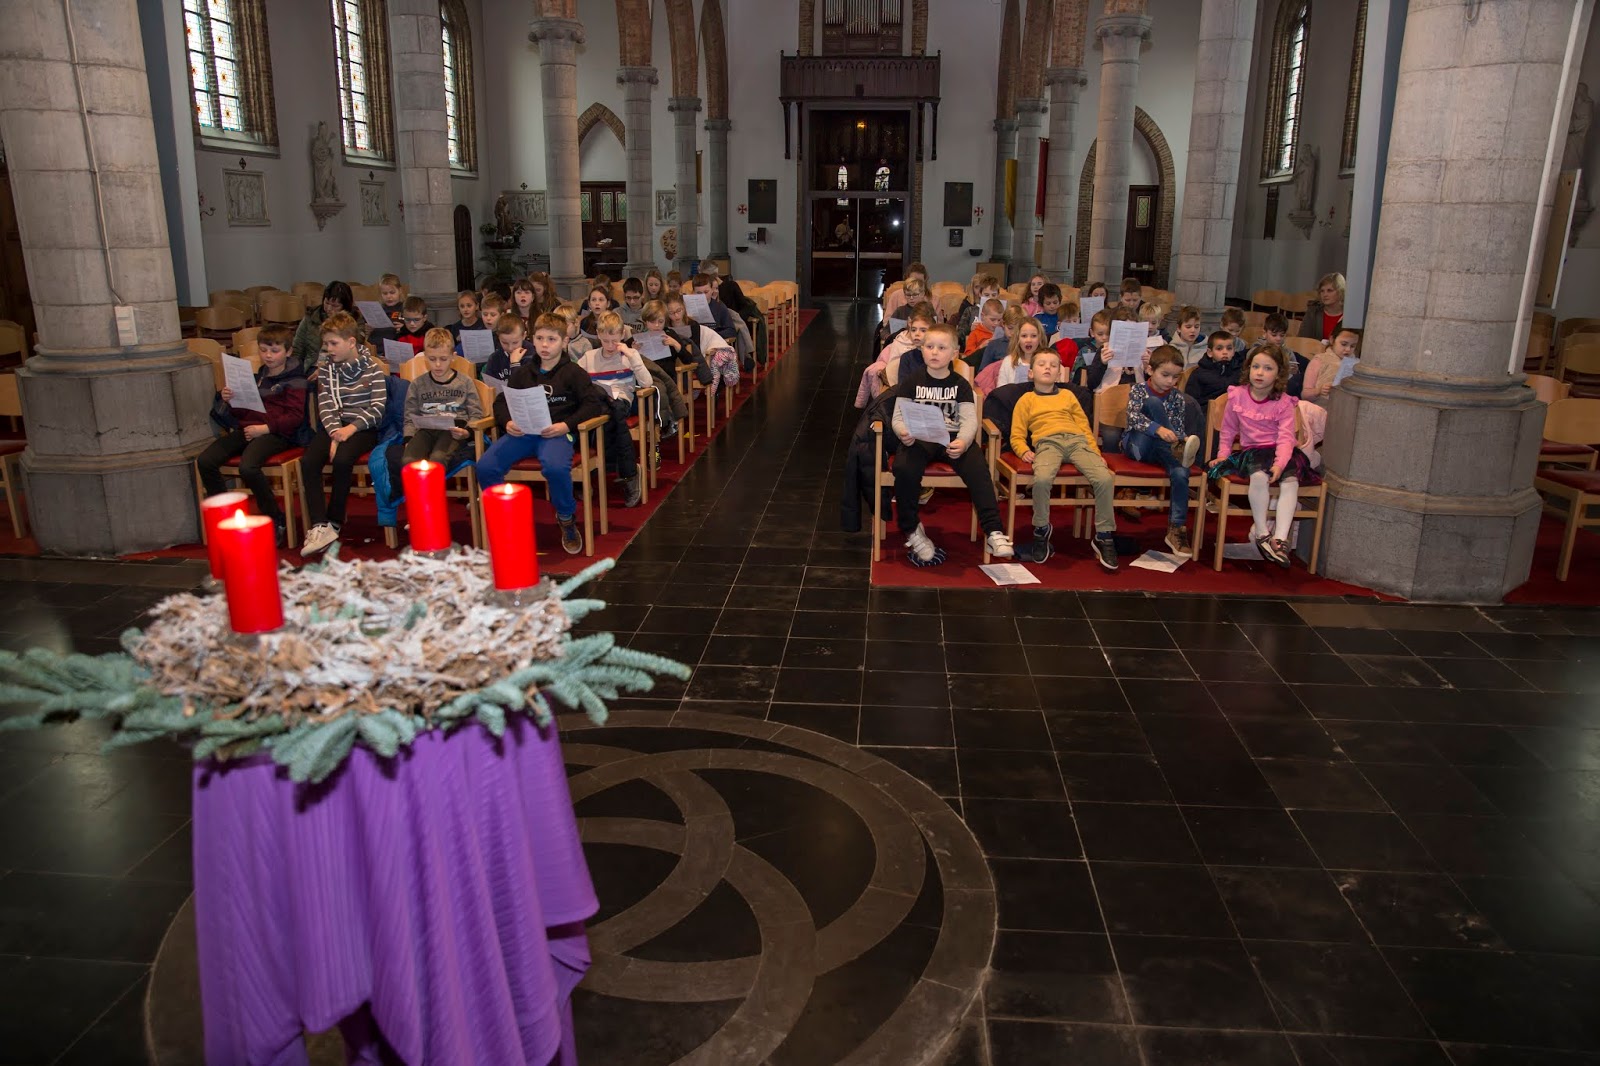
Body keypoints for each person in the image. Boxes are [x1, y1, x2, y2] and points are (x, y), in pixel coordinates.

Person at [475, 312, 607, 555]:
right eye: (540, 338)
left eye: (552, 339)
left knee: (555, 468)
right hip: (523, 432)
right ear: (532, 340)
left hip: (555, 433)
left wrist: (566, 425)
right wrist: (507, 422)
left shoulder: (574, 373)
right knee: (485, 466)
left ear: (564, 341)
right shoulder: (522, 373)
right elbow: (502, 402)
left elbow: (592, 404)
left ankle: (566, 518)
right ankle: (505, 519)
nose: (545, 345)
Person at [889, 323, 1013, 566]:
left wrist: (964, 441)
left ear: (955, 353)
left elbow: (969, 421)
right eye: (929, 347)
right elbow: (898, 417)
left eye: (941, 347)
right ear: (922, 349)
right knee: (904, 467)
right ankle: (912, 528)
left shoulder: (960, 384)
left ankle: (993, 531)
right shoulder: (911, 381)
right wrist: (903, 432)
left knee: (978, 468)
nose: (934, 352)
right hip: (920, 438)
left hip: (952, 438)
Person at [1208, 344, 1321, 567]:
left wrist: (1280, 465)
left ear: (1278, 374)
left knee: (1290, 481)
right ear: (1248, 369)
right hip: (1252, 452)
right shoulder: (1237, 396)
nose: (1260, 373)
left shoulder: (1284, 402)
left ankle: (1280, 538)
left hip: (1280, 450)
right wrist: (1223, 454)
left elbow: (1286, 438)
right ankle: (1262, 533)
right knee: (1259, 476)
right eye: (1256, 367)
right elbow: (1228, 430)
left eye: (1267, 368)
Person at [196, 324, 309, 547]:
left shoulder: (296, 379)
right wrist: (229, 398)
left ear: (288, 352)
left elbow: (295, 417)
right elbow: (242, 413)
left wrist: (265, 429)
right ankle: (226, 515)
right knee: (206, 461)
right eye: (264, 350)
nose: (268, 356)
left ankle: (274, 518)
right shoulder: (257, 378)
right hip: (249, 428)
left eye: (275, 350)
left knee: (248, 467)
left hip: (278, 433)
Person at [1010, 348, 1118, 569]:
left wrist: (1095, 452)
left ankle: (1104, 534)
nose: (1047, 368)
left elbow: (1083, 426)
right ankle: (1041, 529)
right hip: (1048, 443)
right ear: (1030, 373)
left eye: (1053, 365)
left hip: (1077, 441)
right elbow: (1017, 434)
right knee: (1041, 480)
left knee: (1104, 478)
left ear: (1060, 373)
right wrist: (1022, 450)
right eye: (1041, 364)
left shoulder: (1068, 395)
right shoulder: (1026, 400)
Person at [300, 312, 388, 556]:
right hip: (335, 426)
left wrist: (349, 430)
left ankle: (334, 521)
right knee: (308, 462)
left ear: (351, 342)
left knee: (342, 459)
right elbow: (325, 404)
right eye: (326, 344)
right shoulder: (327, 369)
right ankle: (320, 524)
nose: (328, 349)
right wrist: (335, 432)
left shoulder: (372, 368)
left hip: (362, 427)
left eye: (333, 343)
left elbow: (377, 409)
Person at [1124, 345, 1201, 556]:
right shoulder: (1138, 390)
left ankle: (1176, 528)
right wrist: (1158, 429)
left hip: (1162, 449)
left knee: (1181, 471)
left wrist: (1177, 434)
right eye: (1165, 375)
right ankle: (1178, 449)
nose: (1170, 381)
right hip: (1138, 445)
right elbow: (1133, 418)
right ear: (1150, 370)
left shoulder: (1177, 398)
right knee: (1154, 403)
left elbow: (1176, 426)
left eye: (1175, 377)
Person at [578, 310, 648, 507]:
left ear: (621, 336)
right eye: (605, 341)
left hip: (621, 401)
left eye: (614, 341)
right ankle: (629, 471)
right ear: (599, 335)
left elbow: (646, 382)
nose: (610, 346)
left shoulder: (629, 355)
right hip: (596, 405)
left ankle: (596, 471)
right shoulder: (589, 357)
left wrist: (632, 356)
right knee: (599, 415)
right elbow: (577, 383)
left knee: (612, 413)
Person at [400, 328, 482, 470]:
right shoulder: (418, 384)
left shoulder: (465, 382)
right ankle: (418, 492)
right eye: (432, 359)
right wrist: (409, 439)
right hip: (425, 429)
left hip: (453, 431)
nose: (438, 364)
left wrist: (467, 432)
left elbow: (476, 414)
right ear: (425, 357)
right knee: (408, 460)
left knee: (438, 458)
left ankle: (433, 492)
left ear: (453, 356)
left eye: (443, 359)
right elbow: (410, 417)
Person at [292, 280, 354, 372]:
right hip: (312, 366)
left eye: (334, 306)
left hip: (341, 368)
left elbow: (353, 351)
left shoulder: (353, 320)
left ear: (344, 307)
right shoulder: (311, 317)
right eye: (327, 303)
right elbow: (297, 349)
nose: (329, 308)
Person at [980, 317, 1046, 392]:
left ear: (1040, 338)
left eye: (1033, 336)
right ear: (1017, 338)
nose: (1029, 340)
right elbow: (1001, 391)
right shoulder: (1008, 361)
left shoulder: (1047, 362)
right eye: (1024, 336)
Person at [1186, 330, 1246, 406]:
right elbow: (1191, 402)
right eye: (1219, 349)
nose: (1225, 352)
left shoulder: (1240, 371)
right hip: (1207, 413)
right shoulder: (1199, 374)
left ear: (1234, 351)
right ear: (1210, 352)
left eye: (1229, 348)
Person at [1302, 327, 1362, 400]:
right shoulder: (1319, 360)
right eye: (1344, 344)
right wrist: (1318, 390)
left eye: (1352, 346)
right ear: (1332, 340)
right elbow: (1305, 394)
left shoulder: (1357, 364)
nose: (1348, 349)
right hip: (1321, 407)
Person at [481, 314, 530, 392]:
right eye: (504, 343)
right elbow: (488, 387)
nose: (510, 348)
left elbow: (524, 386)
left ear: (524, 336)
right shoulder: (494, 358)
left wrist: (515, 364)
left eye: (515, 342)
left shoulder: (532, 357)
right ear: (498, 337)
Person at [1072, 309, 1114, 390]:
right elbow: (1076, 377)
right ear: (1092, 332)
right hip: (1090, 390)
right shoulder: (1085, 351)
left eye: (1108, 333)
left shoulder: (1116, 350)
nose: (1104, 337)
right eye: (1100, 334)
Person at [1299, 272, 1346, 342]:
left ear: (1340, 292)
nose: (1325, 294)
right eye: (1322, 291)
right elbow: (1302, 339)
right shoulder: (1313, 312)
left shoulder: (1349, 316)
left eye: (1329, 290)